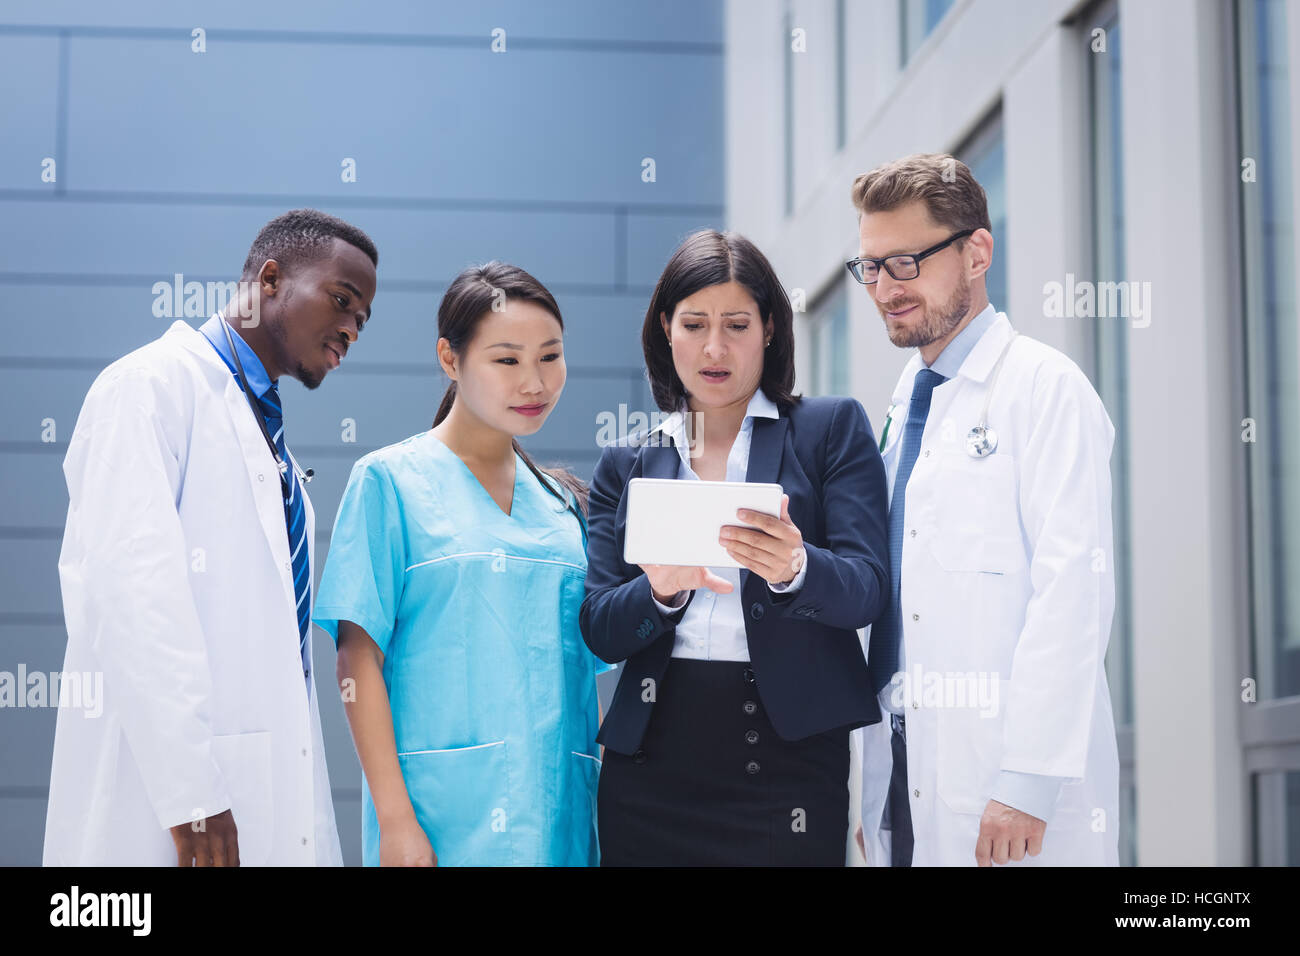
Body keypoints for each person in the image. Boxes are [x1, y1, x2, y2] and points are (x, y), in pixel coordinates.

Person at [45, 209, 379, 866]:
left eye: (361, 321)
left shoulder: (266, 439)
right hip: (170, 806)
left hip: (265, 792)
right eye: (342, 301)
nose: (349, 328)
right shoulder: (148, 388)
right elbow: (133, 598)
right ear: (271, 278)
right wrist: (189, 793)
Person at [581, 229, 890, 866]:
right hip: (652, 761)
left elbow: (868, 589)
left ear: (770, 327)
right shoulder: (628, 462)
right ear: (665, 328)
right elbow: (601, 629)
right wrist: (659, 592)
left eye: (737, 324)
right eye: (693, 324)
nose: (714, 348)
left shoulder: (829, 431)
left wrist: (797, 568)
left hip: (788, 760)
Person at [851, 153, 1120, 867]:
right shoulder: (902, 404)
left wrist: (1027, 781)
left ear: (977, 252)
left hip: (1009, 788)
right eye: (870, 268)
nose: (884, 288)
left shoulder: (1045, 388)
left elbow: (1074, 591)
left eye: (905, 262)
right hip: (904, 769)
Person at [312, 262, 607, 867]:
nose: (535, 383)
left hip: (561, 819)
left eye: (550, 357)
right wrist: (395, 821)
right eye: (507, 360)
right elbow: (356, 657)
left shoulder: (563, 507)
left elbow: (592, 650)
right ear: (450, 359)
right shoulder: (389, 482)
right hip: (439, 822)